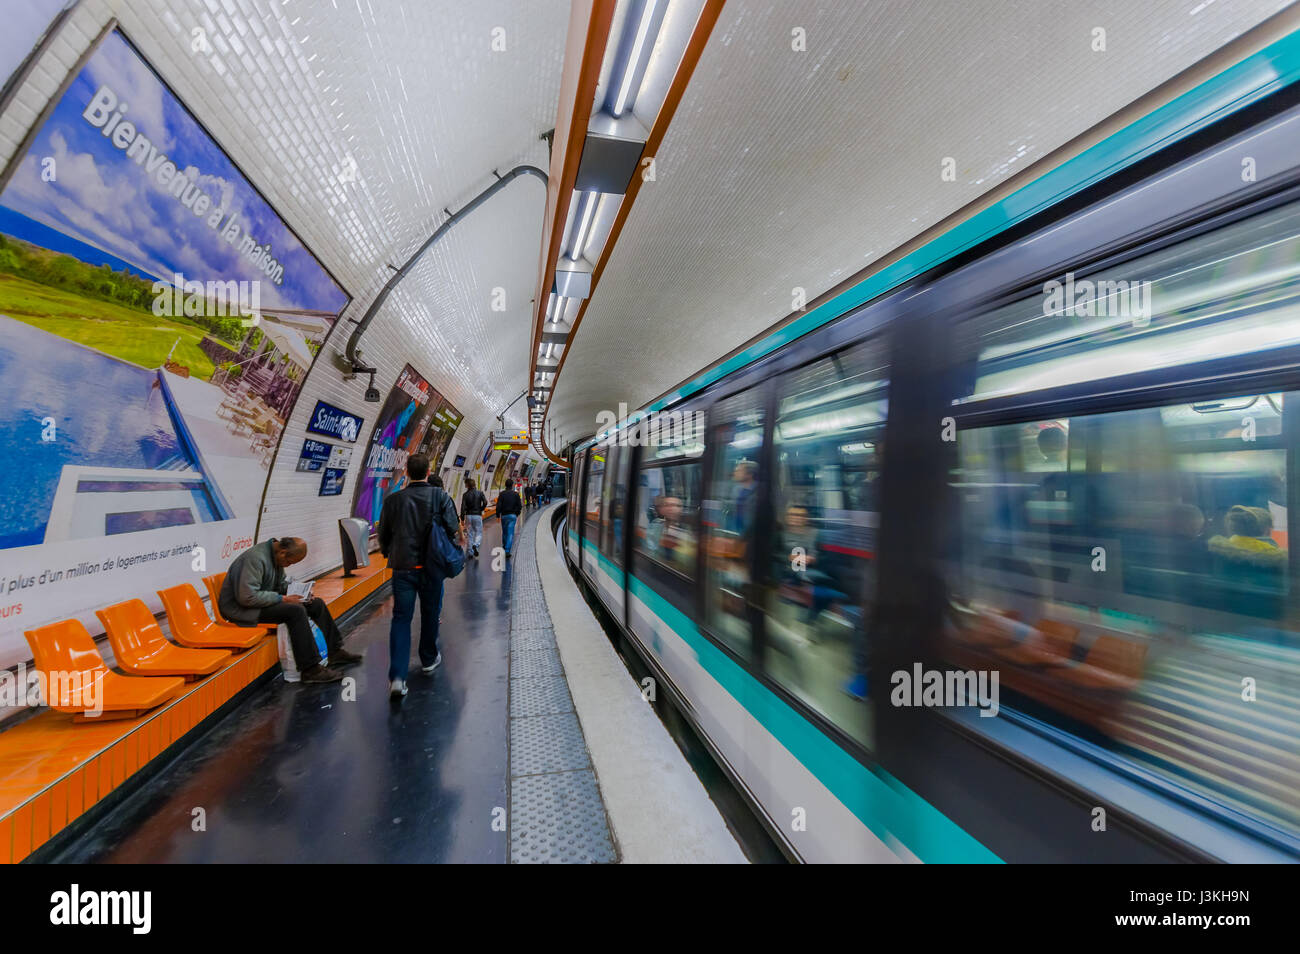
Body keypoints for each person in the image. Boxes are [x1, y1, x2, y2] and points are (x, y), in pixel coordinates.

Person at [219, 536, 360, 684]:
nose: (288, 566)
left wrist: (301, 594)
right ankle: (310, 669)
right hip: (241, 610)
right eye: (289, 562)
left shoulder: (275, 557)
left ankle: (335, 651)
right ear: (282, 553)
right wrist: (283, 599)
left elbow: (279, 585)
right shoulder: (255, 559)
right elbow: (247, 597)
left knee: (316, 603)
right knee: (295, 611)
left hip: (259, 602)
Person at [378, 453, 462, 700]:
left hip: (403, 567)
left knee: (401, 619)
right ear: (428, 471)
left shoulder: (393, 501)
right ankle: (428, 658)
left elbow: (384, 535)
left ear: (407, 472)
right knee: (430, 613)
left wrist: (390, 553)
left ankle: (397, 677)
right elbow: (452, 528)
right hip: (431, 566)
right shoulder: (440, 497)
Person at [461, 476, 487, 557]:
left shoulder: (465, 495)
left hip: (468, 515)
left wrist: (462, 517)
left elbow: (463, 507)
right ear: (474, 485)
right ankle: (476, 545)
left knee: (470, 533)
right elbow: (485, 502)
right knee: (478, 532)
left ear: (467, 485)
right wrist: (481, 509)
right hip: (477, 515)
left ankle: (470, 552)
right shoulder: (480, 493)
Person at [497, 480, 523, 556]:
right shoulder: (516, 494)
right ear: (512, 485)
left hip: (504, 515)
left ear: (505, 485)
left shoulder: (502, 494)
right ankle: (507, 550)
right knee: (510, 532)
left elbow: (499, 505)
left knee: (504, 531)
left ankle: (505, 546)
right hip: (512, 515)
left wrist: (498, 515)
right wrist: (517, 513)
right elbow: (519, 506)